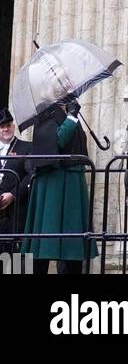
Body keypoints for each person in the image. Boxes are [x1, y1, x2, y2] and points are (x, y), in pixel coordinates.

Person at [21, 101, 96, 275]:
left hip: (72, 183)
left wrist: (72, 116)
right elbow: (59, 140)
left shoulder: (70, 113)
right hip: (53, 183)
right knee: (42, 245)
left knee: (72, 246)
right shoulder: (46, 114)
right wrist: (71, 116)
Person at [0, 107, 32, 245]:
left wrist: (13, 195)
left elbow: (31, 175)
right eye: (2, 127)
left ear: (13, 126)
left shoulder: (27, 147)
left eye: (8, 125)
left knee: (17, 259)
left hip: (17, 211)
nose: (6, 129)